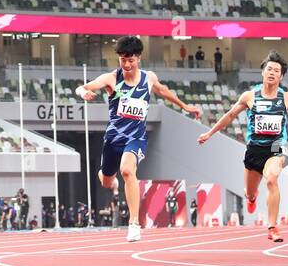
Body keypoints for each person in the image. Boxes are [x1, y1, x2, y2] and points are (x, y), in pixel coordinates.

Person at [76, 35, 202, 242]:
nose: (126, 64)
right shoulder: (111, 78)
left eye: (130, 60)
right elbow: (84, 87)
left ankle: (134, 223)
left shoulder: (148, 78)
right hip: (113, 139)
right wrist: (83, 93)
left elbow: (162, 91)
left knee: (127, 170)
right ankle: (111, 181)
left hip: (136, 137)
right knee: (107, 181)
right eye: (123, 60)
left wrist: (184, 106)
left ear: (139, 58)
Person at [198, 51, 288, 243]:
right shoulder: (249, 96)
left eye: (276, 71)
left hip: (275, 149)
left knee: (271, 180)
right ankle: (251, 198)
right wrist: (209, 133)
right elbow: (229, 116)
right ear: (262, 72)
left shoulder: (286, 97)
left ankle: (272, 227)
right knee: (251, 193)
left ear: (281, 76)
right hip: (254, 151)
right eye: (269, 69)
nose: (272, 73)